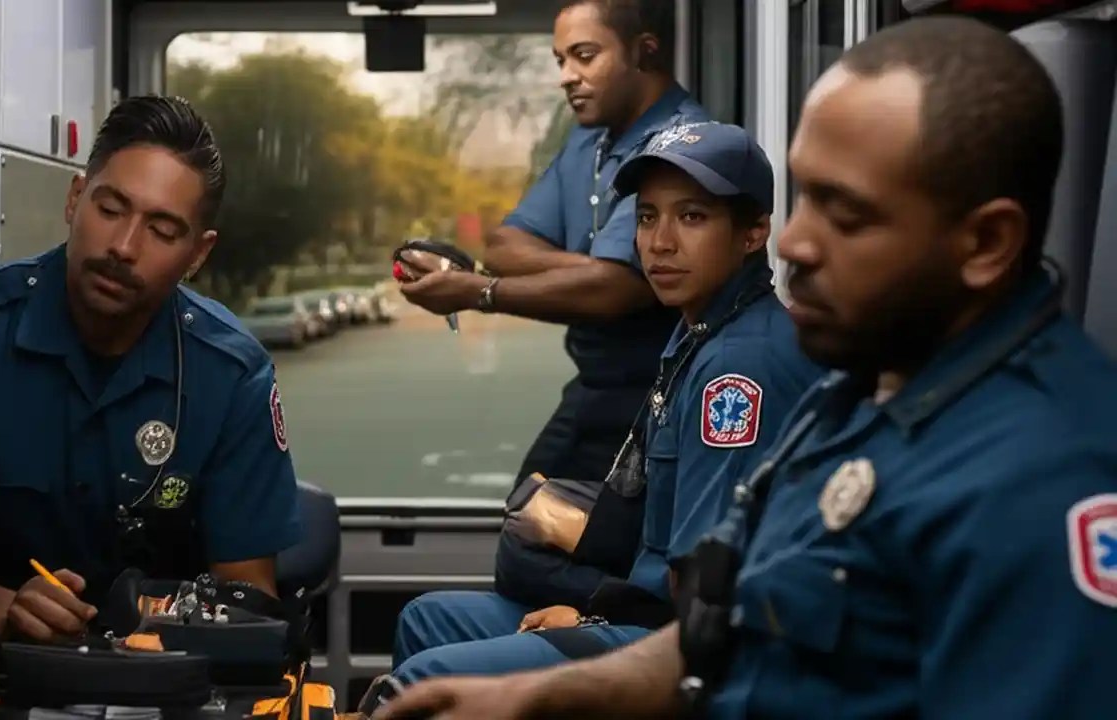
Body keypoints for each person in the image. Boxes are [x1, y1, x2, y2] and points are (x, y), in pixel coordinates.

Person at [373, 15, 1117, 720]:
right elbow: (719, 628)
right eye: (802, 199)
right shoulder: (860, 394)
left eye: (845, 214)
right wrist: (537, 700)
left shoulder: (1051, 481)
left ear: (985, 244)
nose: (792, 245)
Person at [0, 96, 302, 718]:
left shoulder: (232, 372)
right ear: (75, 199)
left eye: (163, 231)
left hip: (165, 686)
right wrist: (6, 609)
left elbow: (245, 593)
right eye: (110, 209)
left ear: (198, 252)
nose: (124, 245)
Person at [386, 122, 823, 690]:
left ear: (752, 232)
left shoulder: (737, 372)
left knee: (429, 674)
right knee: (428, 618)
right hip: (643, 607)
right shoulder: (695, 334)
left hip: (678, 645)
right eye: (647, 217)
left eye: (691, 217)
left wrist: (594, 616)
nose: (660, 242)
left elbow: (706, 592)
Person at [399, 0, 711, 507]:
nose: (567, 76)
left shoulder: (681, 139)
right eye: (560, 60)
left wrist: (480, 294)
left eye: (584, 56)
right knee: (524, 523)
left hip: (657, 393)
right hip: (594, 386)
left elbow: (611, 296)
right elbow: (504, 245)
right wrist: (599, 270)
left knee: (550, 544)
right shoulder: (586, 139)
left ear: (645, 52)